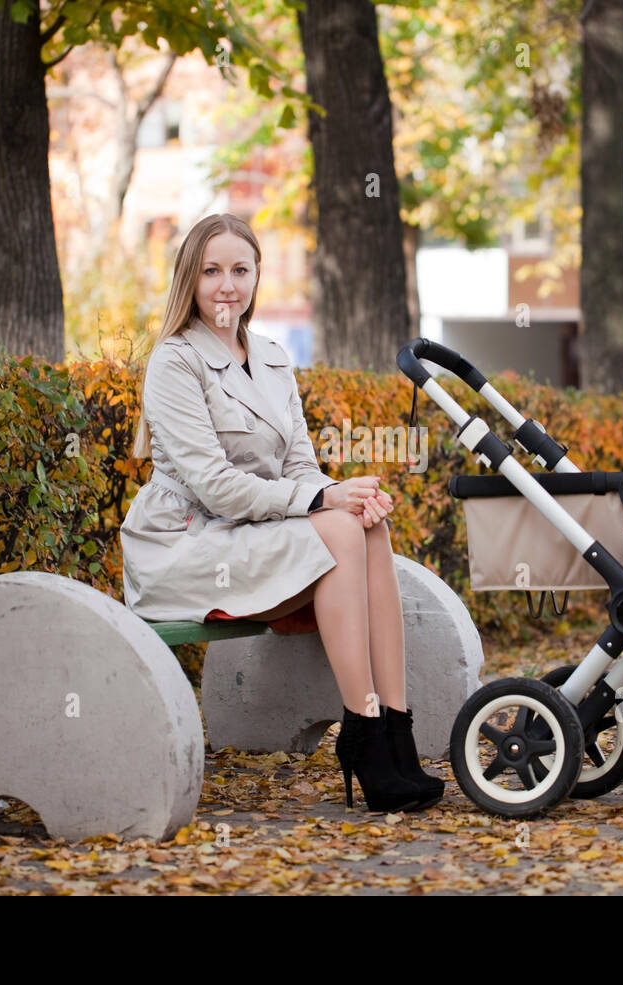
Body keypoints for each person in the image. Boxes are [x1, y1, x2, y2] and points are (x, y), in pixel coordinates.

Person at [122, 213, 443, 813]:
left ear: (256, 277)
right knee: (341, 527)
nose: (227, 285)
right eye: (211, 270)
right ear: (190, 279)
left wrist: (344, 492)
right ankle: (364, 731)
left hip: (250, 533)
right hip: (188, 545)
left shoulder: (271, 357)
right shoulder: (174, 361)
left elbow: (299, 465)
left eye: (240, 270)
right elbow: (216, 488)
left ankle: (396, 733)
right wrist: (324, 500)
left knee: (367, 522)